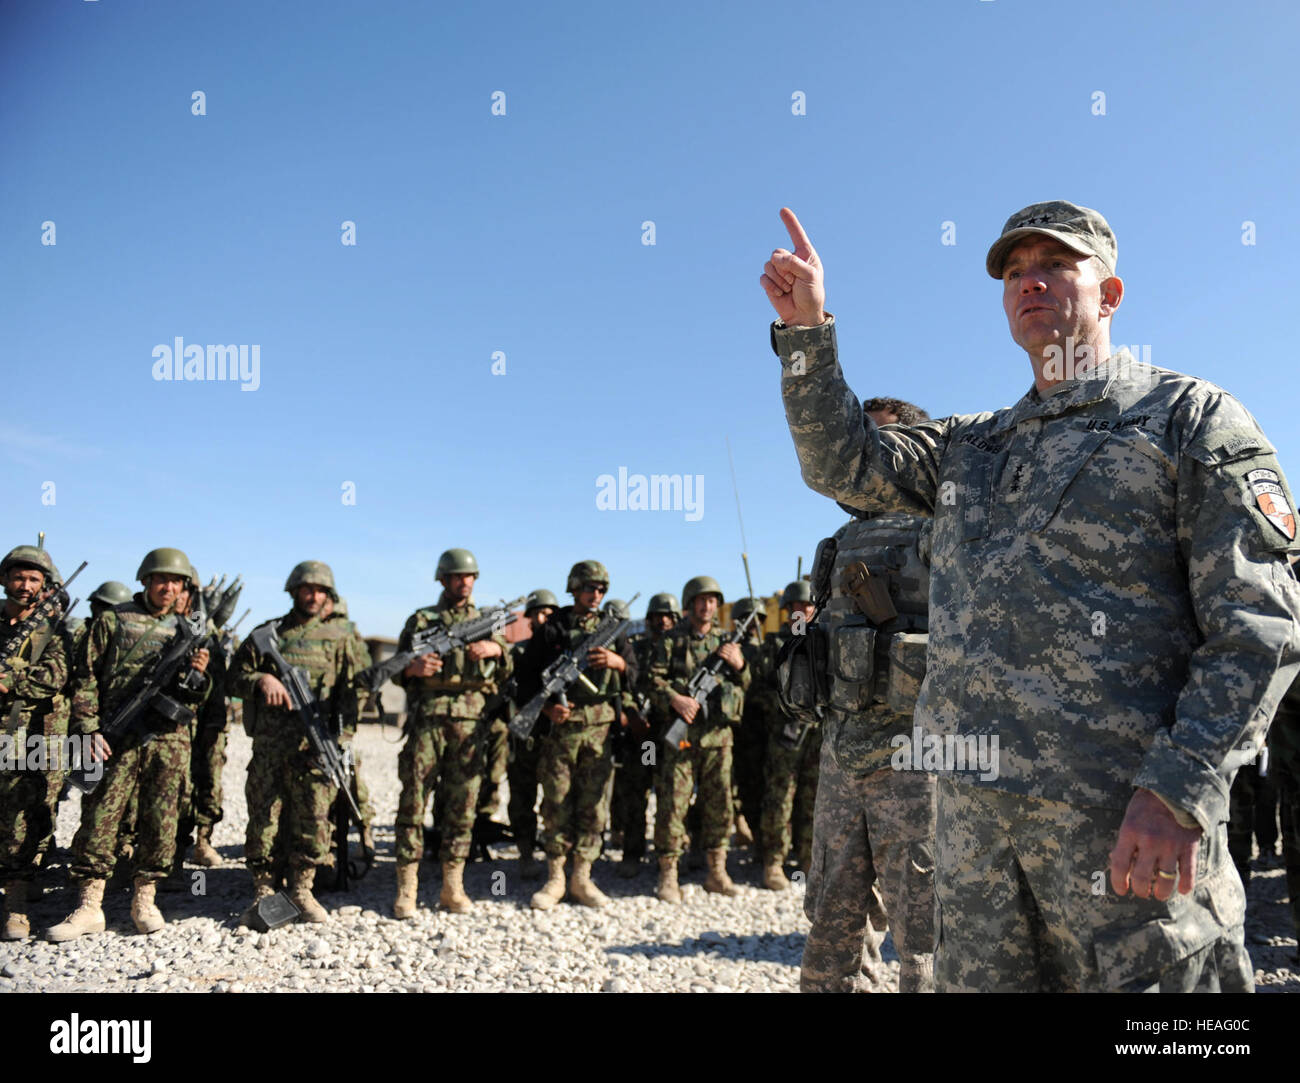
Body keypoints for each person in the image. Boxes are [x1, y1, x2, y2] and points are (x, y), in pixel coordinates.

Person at [763, 200, 1300, 991]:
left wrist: (1181, 788)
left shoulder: (1189, 421)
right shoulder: (970, 446)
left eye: (1055, 265)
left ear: (1110, 294)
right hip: (979, 859)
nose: (1031, 282)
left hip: (1128, 841)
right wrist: (808, 332)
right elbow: (843, 463)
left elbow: (1259, 626)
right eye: (1015, 271)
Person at [798, 397, 939, 993]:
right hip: (841, 754)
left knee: (924, 925)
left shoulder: (941, 536)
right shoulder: (835, 546)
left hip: (913, 761)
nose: (855, 461)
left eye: (876, 443)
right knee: (830, 909)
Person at [49, 548, 212, 941]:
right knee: (100, 816)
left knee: (162, 820)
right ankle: (90, 904)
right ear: (145, 580)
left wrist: (198, 676)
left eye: (176, 582)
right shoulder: (113, 620)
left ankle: (145, 898)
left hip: (168, 740)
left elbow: (199, 697)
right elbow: (84, 676)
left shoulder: (190, 630)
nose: (168, 587)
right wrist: (88, 728)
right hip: (113, 736)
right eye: (161, 579)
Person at [228, 560, 369, 925]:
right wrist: (262, 680)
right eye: (307, 588)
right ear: (293, 591)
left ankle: (302, 890)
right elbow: (232, 678)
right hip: (272, 746)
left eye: (321, 590)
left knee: (315, 818)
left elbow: (354, 692)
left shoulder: (342, 637)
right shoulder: (267, 634)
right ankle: (263, 889)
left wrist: (343, 739)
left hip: (316, 746)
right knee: (265, 817)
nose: (314, 595)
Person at [390, 548, 511, 917]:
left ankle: (452, 886)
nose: (465, 582)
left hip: (471, 726)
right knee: (413, 802)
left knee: (464, 808)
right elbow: (394, 669)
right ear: (442, 580)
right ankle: (406, 888)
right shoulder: (421, 620)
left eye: (470, 576)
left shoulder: (488, 620)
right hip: (428, 722)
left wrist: (495, 650)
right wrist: (413, 669)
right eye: (458, 576)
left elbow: (509, 668)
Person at [521, 560, 631, 910]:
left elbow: (636, 674)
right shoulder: (553, 628)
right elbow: (523, 679)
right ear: (573, 588)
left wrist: (618, 663)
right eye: (589, 588)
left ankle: (582, 877)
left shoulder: (612, 629)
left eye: (601, 590)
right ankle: (555, 876)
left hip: (599, 731)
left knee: (593, 805)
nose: (595, 595)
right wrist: (547, 709)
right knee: (556, 802)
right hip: (561, 731)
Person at [648, 576, 750, 903]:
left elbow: (749, 682)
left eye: (712, 601)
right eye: (701, 600)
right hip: (682, 736)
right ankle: (668, 873)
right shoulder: (670, 641)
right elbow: (651, 681)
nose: (707, 606)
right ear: (690, 604)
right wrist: (673, 699)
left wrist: (740, 663)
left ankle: (717, 871)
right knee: (672, 804)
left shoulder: (727, 642)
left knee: (719, 803)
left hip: (717, 737)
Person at [0, 543, 72, 941]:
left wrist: (8, 681)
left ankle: (15, 903)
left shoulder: (53, 630)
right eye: (18, 577)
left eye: (33, 579)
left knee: (18, 818)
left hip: (25, 735)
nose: (24, 585)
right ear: (5, 579)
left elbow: (53, 677)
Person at [759, 580, 821, 887]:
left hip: (817, 732)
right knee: (781, 797)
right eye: (797, 606)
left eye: (808, 605)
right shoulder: (774, 645)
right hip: (786, 731)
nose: (803, 611)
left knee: (813, 796)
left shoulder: (824, 640)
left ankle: (809, 857)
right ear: (787, 611)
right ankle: (773, 861)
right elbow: (758, 691)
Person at [614, 592, 678, 879]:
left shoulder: (680, 649)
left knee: (669, 797)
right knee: (634, 795)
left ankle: (668, 857)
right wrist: (630, 714)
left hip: (669, 734)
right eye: (656, 616)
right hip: (640, 736)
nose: (662, 621)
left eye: (667, 616)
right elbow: (623, 685)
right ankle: (631, 852)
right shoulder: (635, 648)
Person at [506, 589, 560, 879]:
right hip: (525, 734)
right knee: (522, 795)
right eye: (537, 614)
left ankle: (557, 857)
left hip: (554, 736)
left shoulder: (561, 650)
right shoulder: (518, 651)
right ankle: (525, 852)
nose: (543, 619)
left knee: (557, 798)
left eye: (549, 614)